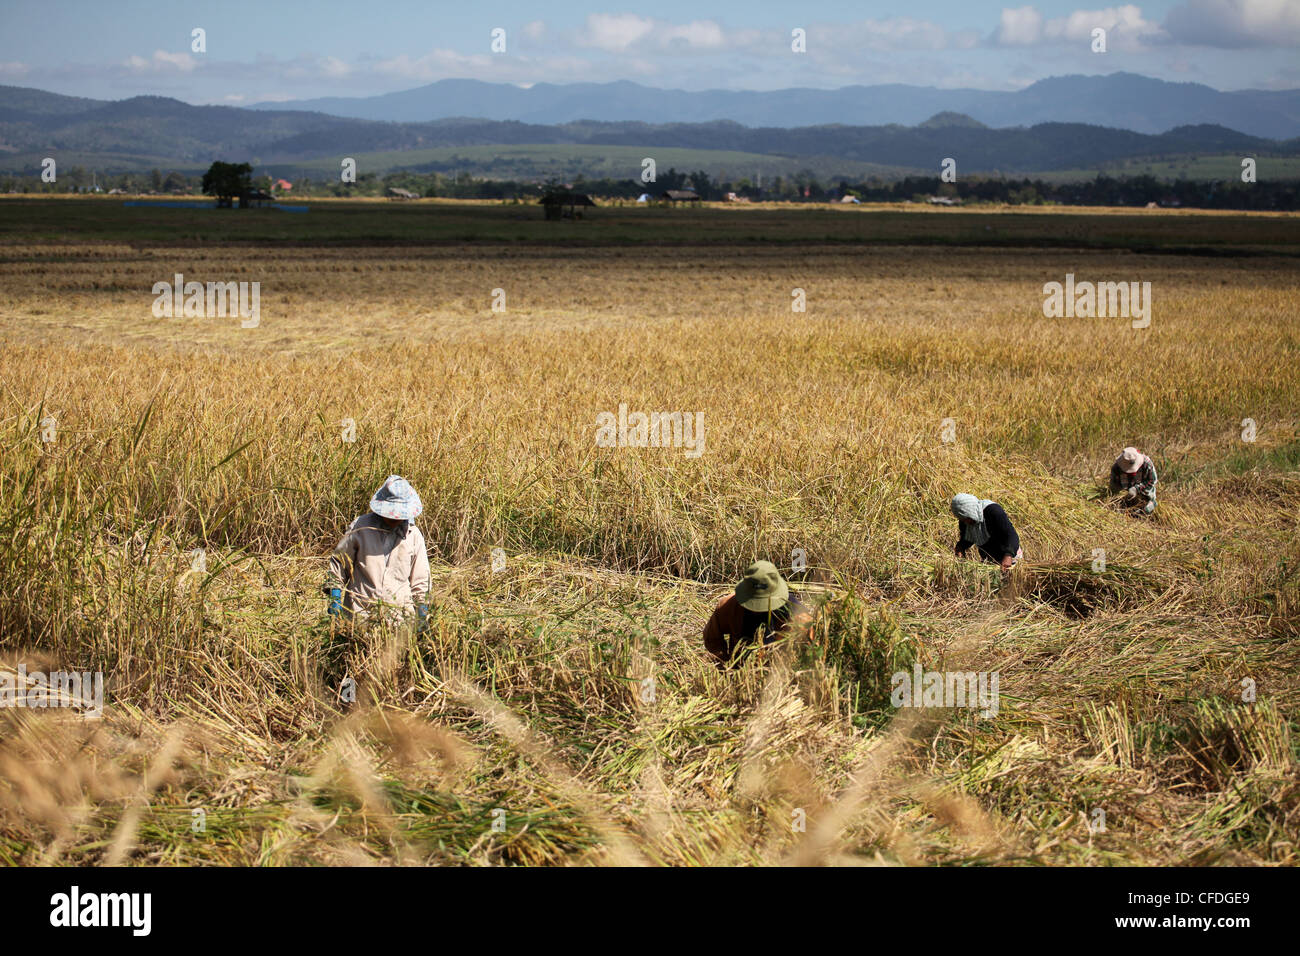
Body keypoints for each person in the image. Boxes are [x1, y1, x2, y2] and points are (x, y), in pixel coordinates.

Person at [325, 475, 431, 627]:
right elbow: (339, 563)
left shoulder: (414, 536)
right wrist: (334, 597)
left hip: (399, 622)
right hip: (359, 617)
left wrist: (422, 613)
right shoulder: (361, 527)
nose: (394, 519)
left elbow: (421, 580)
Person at [703, 560, 812, 666]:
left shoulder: (799, 619)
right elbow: (712, 639)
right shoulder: (728, 606)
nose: (757, 609)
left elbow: (810, 655)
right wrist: (725, 666)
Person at [951, 493, 1022, 571]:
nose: (967, 522)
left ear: (970, 511)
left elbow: (1011, 534)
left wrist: (1008, 555)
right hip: (989, 562)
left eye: (967, 518)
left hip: (1009, 558)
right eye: (963, 520)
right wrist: (961, 547)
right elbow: (968, 538)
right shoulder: (965, 520)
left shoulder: (993, 511)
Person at [1109, 446, 1157, 515]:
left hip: (1143, 492)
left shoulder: (1147, 464)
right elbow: (1113, 485)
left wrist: (1136, 489)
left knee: (1146, 509)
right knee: (1117, 510)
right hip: (1125, 494)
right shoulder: (1116, 468)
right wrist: (1120, 492)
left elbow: (1152, 481)